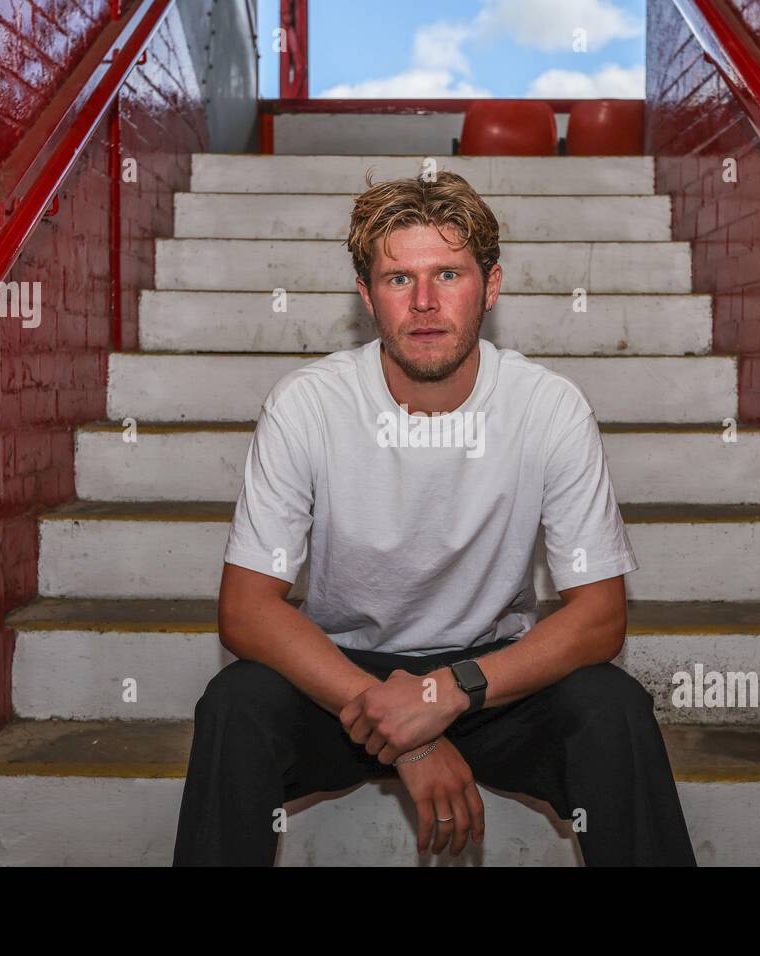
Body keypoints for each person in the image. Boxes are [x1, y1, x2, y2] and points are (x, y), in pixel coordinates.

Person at [172, 169, 696, 866]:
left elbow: (599, 619)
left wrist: (452, 692)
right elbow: (245, 611)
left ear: (492, 286)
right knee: (237, 703)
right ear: (366, 296)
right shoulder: (308, 405)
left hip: (489, 685)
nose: (424, 303)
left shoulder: (548, 407)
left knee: (611, 708)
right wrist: (410, 731)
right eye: (398, 280)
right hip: (345, 687)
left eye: (448, 274)